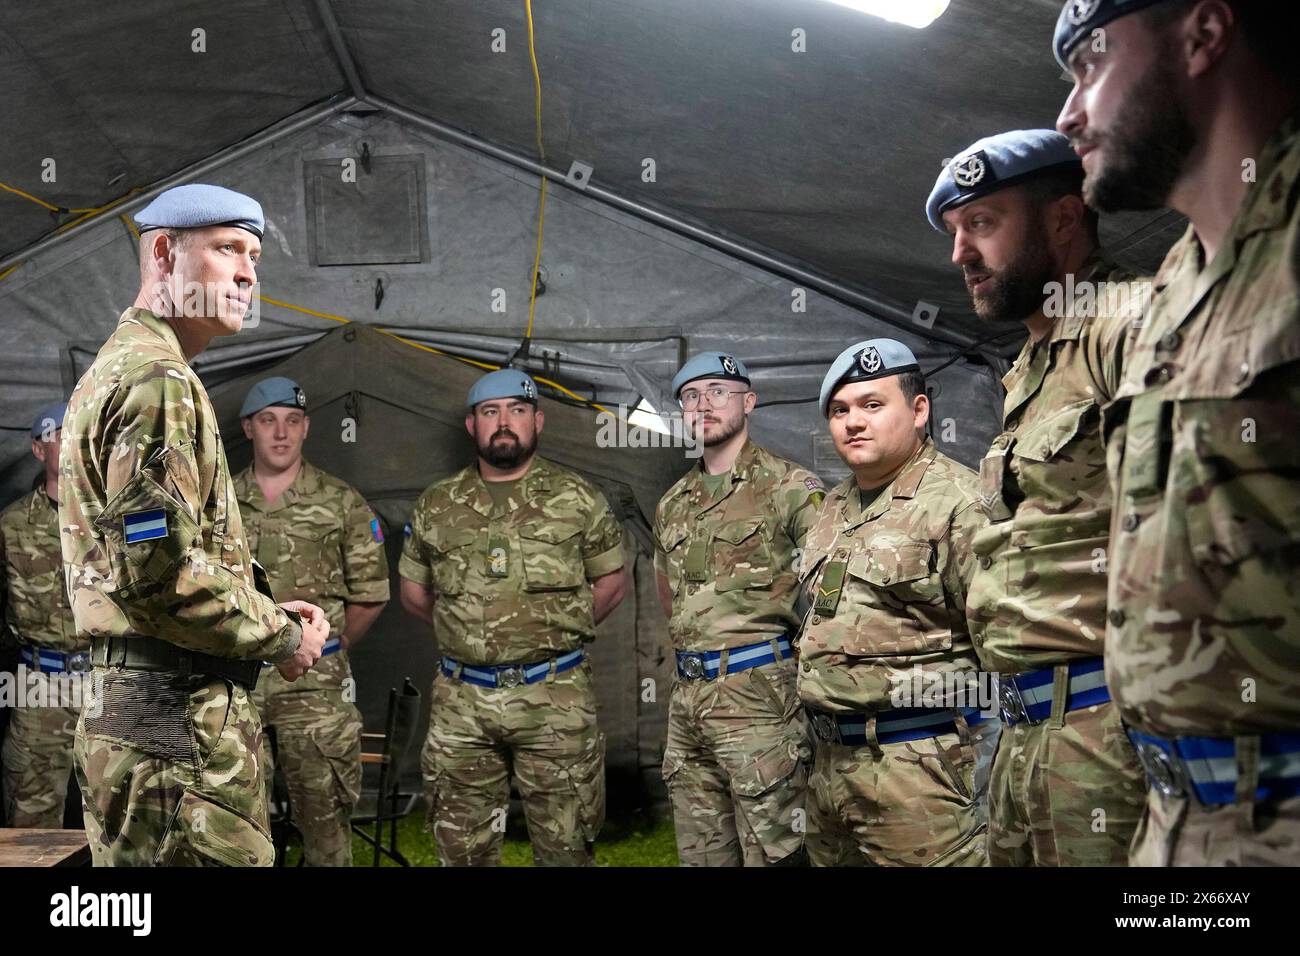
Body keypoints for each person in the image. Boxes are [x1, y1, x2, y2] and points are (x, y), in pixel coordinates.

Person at [1054, 0, 1300, 865]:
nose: (1069, 113)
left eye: (1089, 64)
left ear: (1202, 36)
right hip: (1180, 822)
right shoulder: (1170, 290)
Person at [59, 183, 329, 866]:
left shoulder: (122, 368)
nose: (247, 273)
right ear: (162, 253)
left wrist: (260, 607)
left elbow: (148, 564)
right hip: (175, 721)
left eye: (255, 257)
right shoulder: (158, 381)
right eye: (227, 249)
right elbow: (163, 580)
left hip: (145, 713)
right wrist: (283, 636)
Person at [927, 129, 1147, 865]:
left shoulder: (1134, 324)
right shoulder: (1028, 367)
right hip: (1027, 735)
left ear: (1062, 219)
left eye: (981, 224)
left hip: (1111, 734)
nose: (960, 254)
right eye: (956, 232)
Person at [398, 368, 627, 866]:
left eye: (517, 410)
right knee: (461, 848)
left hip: (555, 698)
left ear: (538, 421)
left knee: (565, 845)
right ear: (471, 425)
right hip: (463, 701)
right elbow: (414, 593)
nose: (504, 422)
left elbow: (611, 583)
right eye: (490, 412)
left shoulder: (578, 499)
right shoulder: (437, 505)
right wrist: (466, 634)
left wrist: (552, 631)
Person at [796, 339, 993, 866]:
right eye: (840, 411)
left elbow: (1005, 656)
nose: (853, 422)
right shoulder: (833, 506)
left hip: (919, 771)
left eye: (872, 405)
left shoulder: (961, 504)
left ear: (920, 410)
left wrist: (983, 768)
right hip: (830, 765)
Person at [654, 351, 821, 866]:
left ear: (748, 401)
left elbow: (830, 593)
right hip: (689, 700)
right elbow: (670, 595)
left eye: (717, 392)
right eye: (690, 396)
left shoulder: (792, 487)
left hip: (760, 699)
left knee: (776, 849)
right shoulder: (672, 502)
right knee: (703, 851)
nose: (703, 404)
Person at [234, 376, 390, 866]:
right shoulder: (219, 502)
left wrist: (324, 647)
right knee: (233, 819)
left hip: (318, 689)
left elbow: (371, 594)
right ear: (248, 429)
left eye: (293, 421)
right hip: (237, 681)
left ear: (306, 428)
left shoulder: (341, 501)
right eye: (268, 421)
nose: (281, 433)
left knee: (325, 820)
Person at [1, 402, 86, 828]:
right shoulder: (10, 526)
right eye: (59, 435)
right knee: (31, 826)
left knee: (132, 818)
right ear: (39, 449)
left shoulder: (115, 522)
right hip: (40, 690)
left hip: (111, 685)